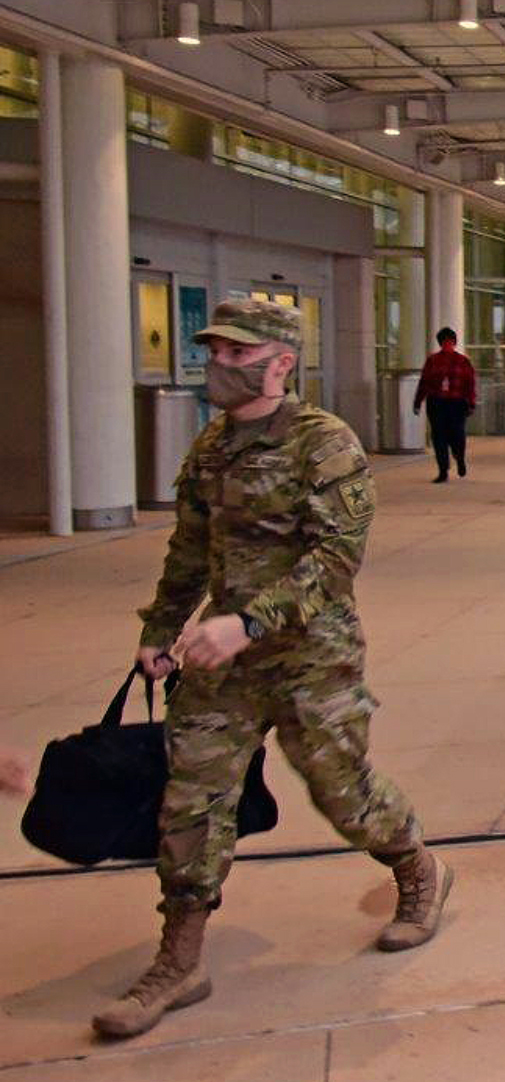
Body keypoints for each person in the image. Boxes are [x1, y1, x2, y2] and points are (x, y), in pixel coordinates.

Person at [97, 299, 449, 1041]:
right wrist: (163, 630)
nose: (217, 366)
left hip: (309, 654)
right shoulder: (213, 446)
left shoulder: (325, 445)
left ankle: (418, 869)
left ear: (280, 362)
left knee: (340, 791)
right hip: (221, 660)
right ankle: (181, 959)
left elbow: (334, 560)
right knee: (191, 800)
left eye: (234, 354)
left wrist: (246, 622)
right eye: (215, 352)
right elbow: (190, 549)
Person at [413, 327, 478, 483]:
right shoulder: (433, 361)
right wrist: (418, 402)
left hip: (457, 403)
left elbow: (470, 384)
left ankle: (459, 456)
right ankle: (443, 470)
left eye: (450, 341)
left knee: (457, 434)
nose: (447, 344)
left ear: (454, 343)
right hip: (437, 402)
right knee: (439, 437)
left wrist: (471, 403)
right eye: (445, 342)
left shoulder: (463, 361)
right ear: (441, 343)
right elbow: (424, 383)